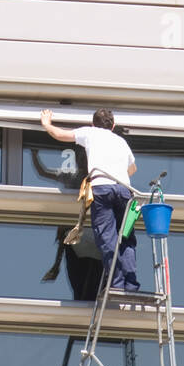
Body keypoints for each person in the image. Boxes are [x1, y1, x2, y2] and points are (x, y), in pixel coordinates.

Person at [40, 106, 142, 293]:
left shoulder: (90, 133)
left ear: (93, 124)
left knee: (107, 238)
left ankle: (116, 283)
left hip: (102, 189)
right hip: (124, 191)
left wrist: (47, 124)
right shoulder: (121, 141)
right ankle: (131, 284)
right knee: (126, 237)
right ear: (113, 126)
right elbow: (132, 169)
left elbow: (61, 135)